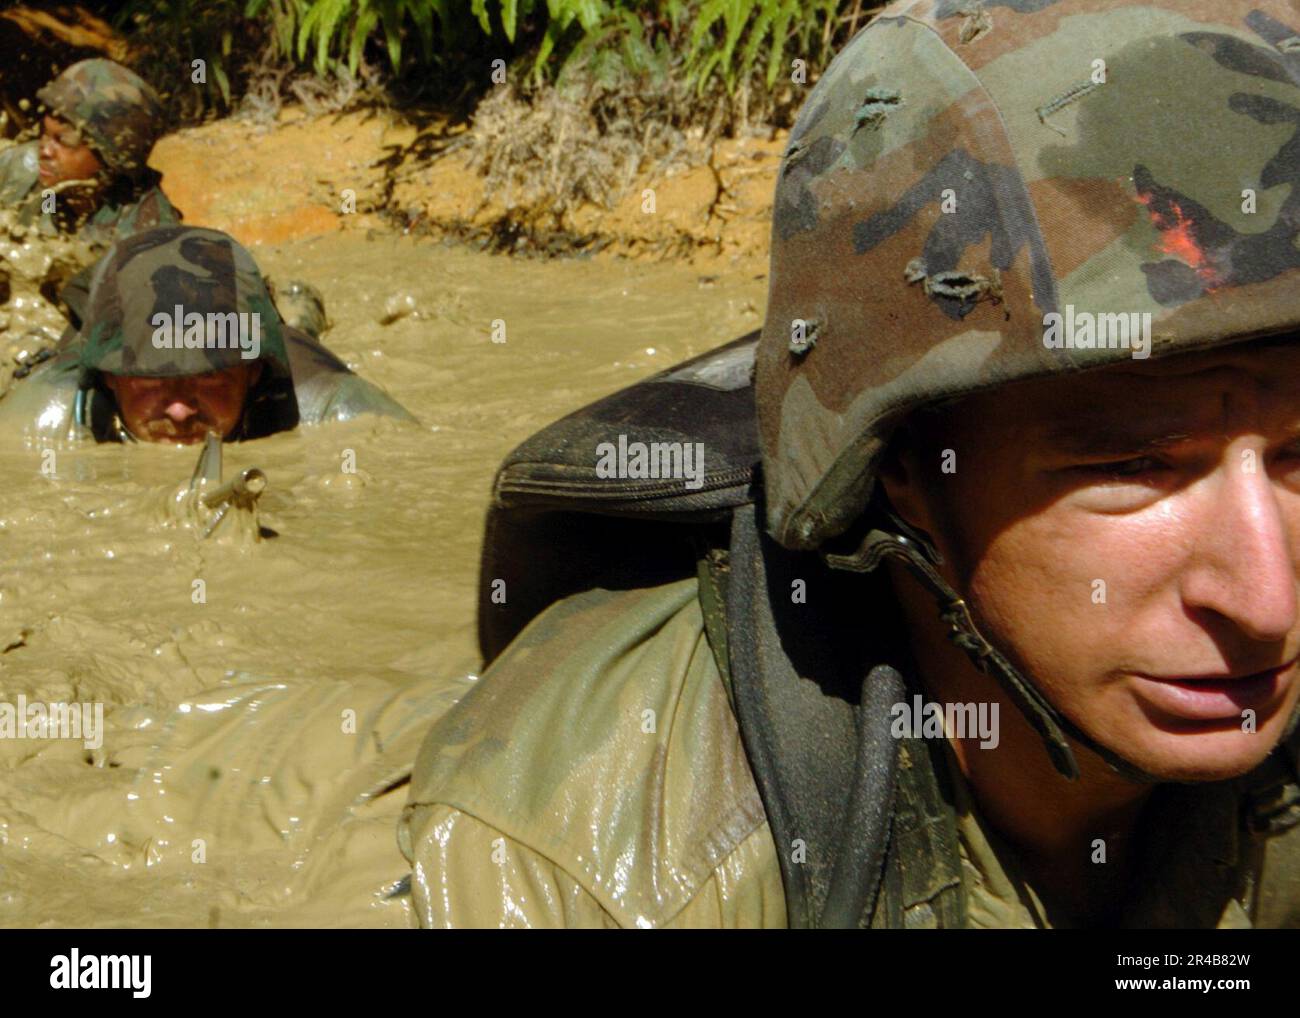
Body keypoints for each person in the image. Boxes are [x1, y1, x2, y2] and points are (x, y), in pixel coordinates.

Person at [398, 0, 1300, 928]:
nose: (1267, 603)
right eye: (1138, 466)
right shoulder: (606, 859)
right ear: (903, 464)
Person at [0, 225, 414, 443]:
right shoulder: (46, 414)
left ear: (252, 371)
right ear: (110, 377)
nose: (180, 410)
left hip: (255, 336)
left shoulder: (331, 406)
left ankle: (296, 305)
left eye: (208, 377)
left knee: (288, 329)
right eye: (151, 379)